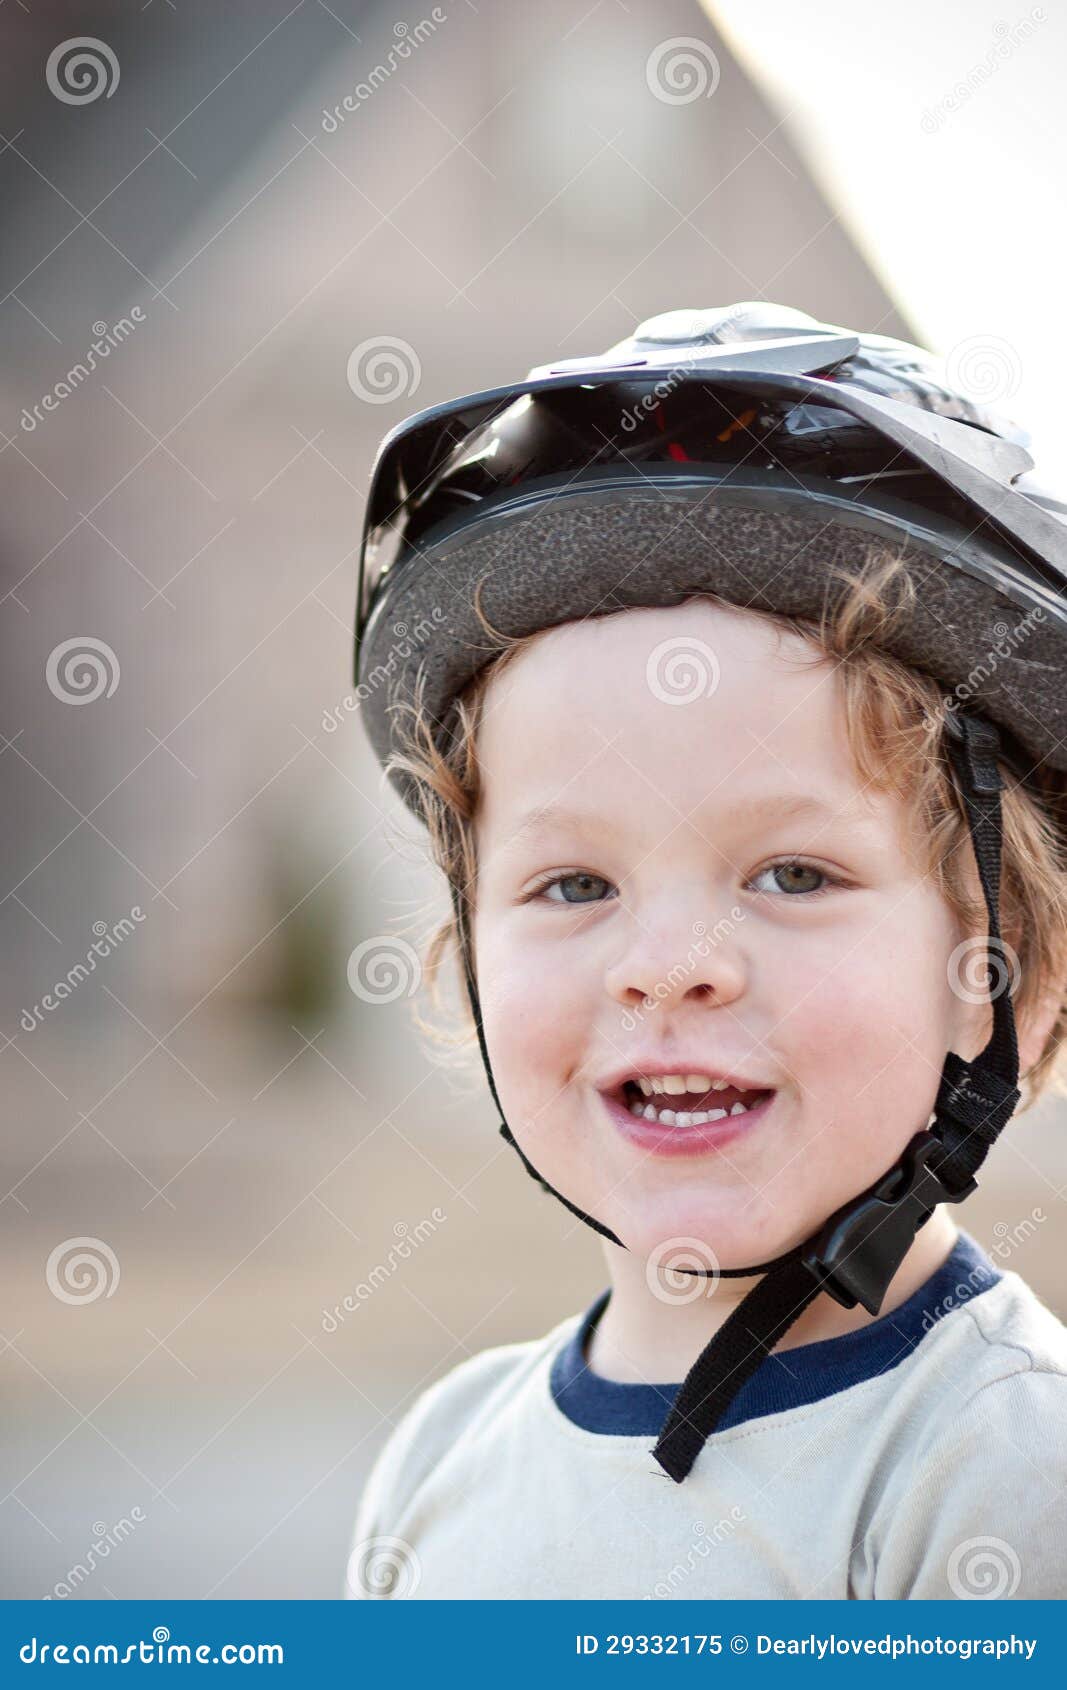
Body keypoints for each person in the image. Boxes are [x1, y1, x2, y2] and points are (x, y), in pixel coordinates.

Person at [342, 303, 1067, 1599]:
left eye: (793, 873)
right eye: (574, 882)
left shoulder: (1000, 1472)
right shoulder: (439, 1462)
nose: (668, 965)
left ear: (1014, 971)